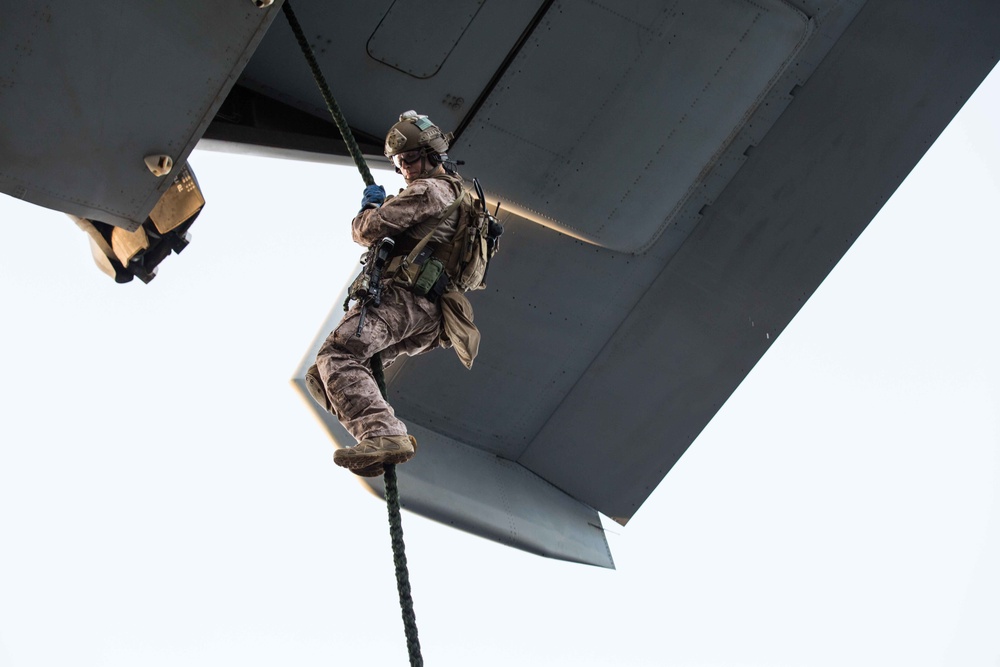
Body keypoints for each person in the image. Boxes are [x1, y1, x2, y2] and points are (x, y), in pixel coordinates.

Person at [306, 111, 483, 477]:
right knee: (321, 376)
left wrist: (369, 208)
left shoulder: (432, 189)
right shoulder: (453, 194)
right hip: (428, 314)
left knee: (337, 354)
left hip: (405, 300)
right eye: (399, 163)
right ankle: (377, 439)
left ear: (432, 154)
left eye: (409, 159)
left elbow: (368, 229)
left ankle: (384, 433)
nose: (405, 169)